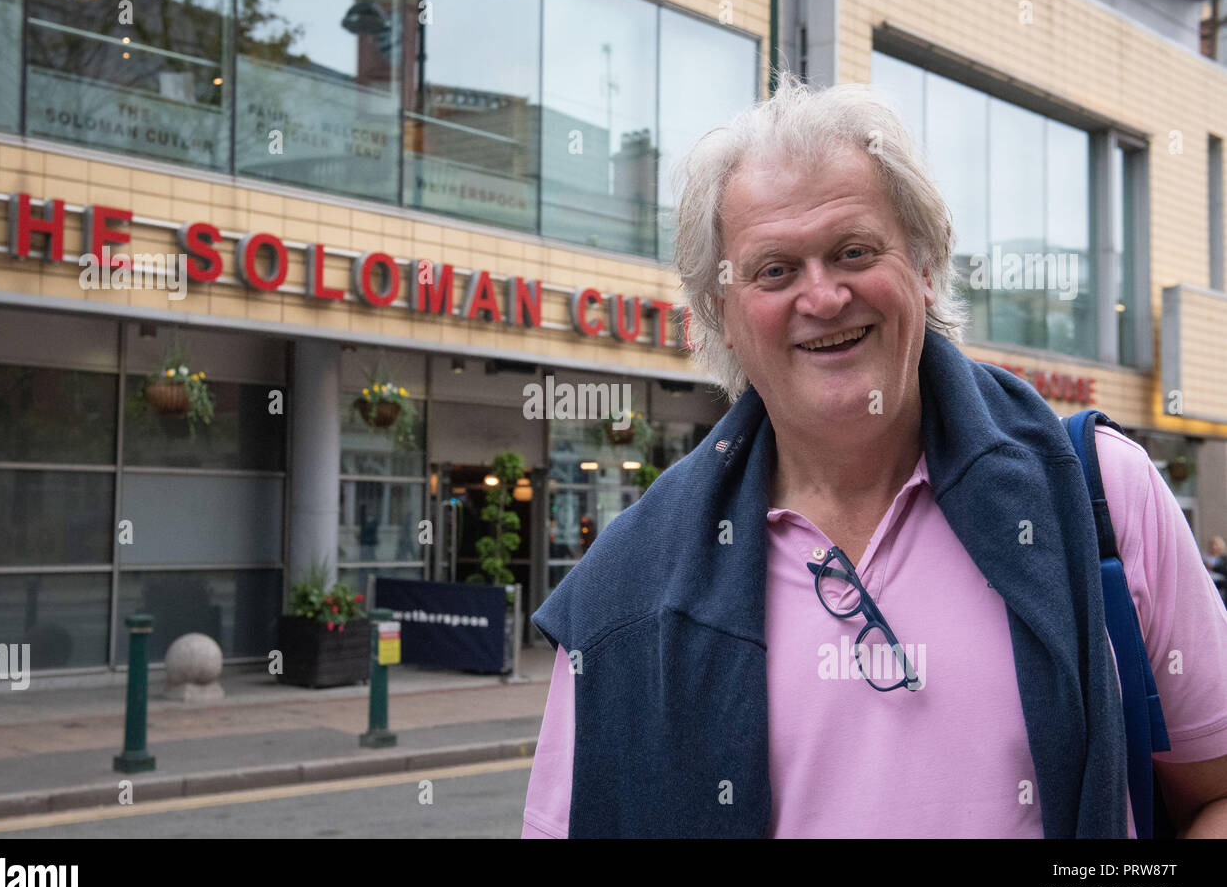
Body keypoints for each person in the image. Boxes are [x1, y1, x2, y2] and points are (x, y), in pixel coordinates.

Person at [520, 74, 1227, 839]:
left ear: (924, 268)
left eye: (853, 250)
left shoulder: (1100, 495)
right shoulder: (625, 584)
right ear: (720, 315)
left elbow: (1212, 796)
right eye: (775, 269)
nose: (822, 297)